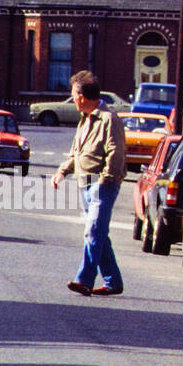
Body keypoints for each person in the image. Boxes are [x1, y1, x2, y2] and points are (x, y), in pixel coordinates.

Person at [52, 71, 127, 297]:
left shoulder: (109, 119)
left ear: (82, 96)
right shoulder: (85, 121)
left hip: (102, 184)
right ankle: (113, 282)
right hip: (85, 183)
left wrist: (106, 179)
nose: (73, 99)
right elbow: (76, 153)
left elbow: (116, 152)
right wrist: (62, 172)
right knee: (99, 233)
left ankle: (83, 279)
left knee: (93, 231)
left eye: (74, 95)